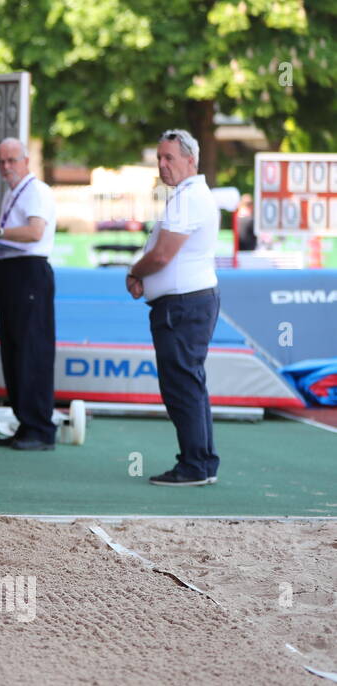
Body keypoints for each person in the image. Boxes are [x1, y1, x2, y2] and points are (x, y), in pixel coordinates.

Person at [126, 128, 220, 487]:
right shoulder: (189, 195)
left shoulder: (187, 198)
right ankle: (202, 462)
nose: (162, 165)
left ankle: (195, 465)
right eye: (159, 159)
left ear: (190, 159)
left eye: (169, 158)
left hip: (183, 305)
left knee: (181, 385)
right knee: (189, 383)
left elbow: (163, 255)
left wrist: (135, 273)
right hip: (188, 302)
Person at [0, 137, 58, 451]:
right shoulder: (13, 194)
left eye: (11, 161)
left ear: (26, 160)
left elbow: (34, 233)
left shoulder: (37, 191)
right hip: (11, 272)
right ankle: (26, 422)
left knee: (32, 349)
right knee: (15, 350)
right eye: (1, 162)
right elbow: (6, 250)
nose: (5, 167)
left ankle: (40, 427)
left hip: (29, 274)